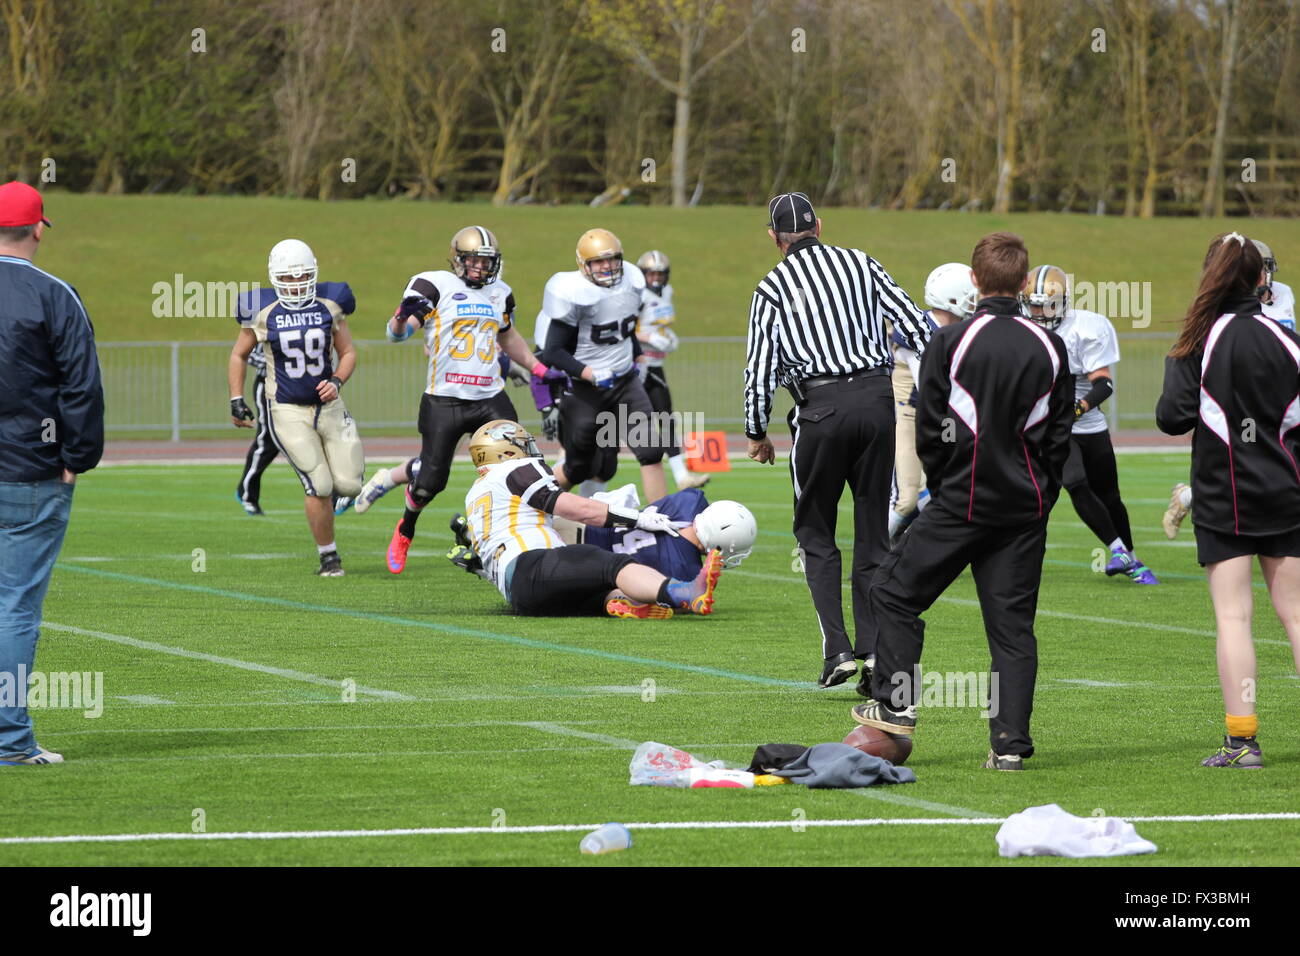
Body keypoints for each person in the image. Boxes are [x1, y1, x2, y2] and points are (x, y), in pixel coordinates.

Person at [851, 232, 1074, 771]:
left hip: (963, 500)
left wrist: (950, 481)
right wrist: (1040, 493)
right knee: (1012, 629)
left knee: (893, 590)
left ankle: (895, 706)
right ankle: (1010, 746)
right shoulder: (1050, 345)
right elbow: (1058, 432)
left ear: (974, 281)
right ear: (1025, 283)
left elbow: (931, 428)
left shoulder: (951, 343)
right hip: (1023, 507)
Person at [743, 192, 933, 688]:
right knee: (872, 529)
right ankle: (872, 648)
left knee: (815, 532)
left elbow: (759, 369)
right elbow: (918, 325)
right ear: (819, 226)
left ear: (773, 238)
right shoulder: (861, 264)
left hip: (821, 409)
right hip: (877, 402)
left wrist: (756, 431)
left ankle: (837, 649)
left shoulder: (772, 287)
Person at [1156, 232, 1300, 769]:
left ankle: (1242, 741)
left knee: (1234, 619)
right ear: (1263, 277)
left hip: (1223, 494)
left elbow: (1170, 417)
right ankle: (1241, 741)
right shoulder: (1287, 339)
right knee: (1297, 616)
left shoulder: (1198, 339)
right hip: (1286, 491)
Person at [374, 226, 563, 573]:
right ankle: (406, 528)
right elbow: (396, 335)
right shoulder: (433, 284)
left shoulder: (501, 293)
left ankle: (509, 535)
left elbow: (508, 337)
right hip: (444, 400)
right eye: (473, 259)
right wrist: (401, 316)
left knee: (521, 467)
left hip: (489, 397)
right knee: (431, 482)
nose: (479, 267)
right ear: (458, 259)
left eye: (485, 261)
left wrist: (538, 369)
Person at [0, 181, 104, 765]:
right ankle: (10, 741)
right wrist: (76, 459)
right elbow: (81, 386)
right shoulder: (56, 294)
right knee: (14, 609)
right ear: (39, 228)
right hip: (30, 474)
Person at [460, 420, 722, 619]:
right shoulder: (516, 468)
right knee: (614, 565)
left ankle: (635, 601)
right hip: (534, 563)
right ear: (505, 452)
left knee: (601, 590)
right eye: (522, 444)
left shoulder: (476, 494)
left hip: (519, 596)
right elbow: (577, 509)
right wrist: (636, 518)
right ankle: (684, 591)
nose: (529, 449)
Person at [229, 239, 363, 576]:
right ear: (275, 278)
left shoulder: (330, 304)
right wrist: (236, 397)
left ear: (314, 272)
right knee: (318, 485)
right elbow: (238, 354)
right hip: (286, 409)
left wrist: (337, 380)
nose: (296, 283)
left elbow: (348, 352)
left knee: (349, 485)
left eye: (302, 276)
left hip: (329, 407)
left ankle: (329, 509)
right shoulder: (262, 310)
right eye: (287, 278)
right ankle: (328, 556)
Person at [1023, 264, 1157, 584]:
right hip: (1052, 426)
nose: (1039, 311)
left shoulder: (1087, 326)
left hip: (1087, 421)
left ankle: (1131, 558)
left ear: (1063, 302)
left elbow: (1104, 385)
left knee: (1109, 496)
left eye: (1046, 303)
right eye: (1033, 303)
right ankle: (1116, 550)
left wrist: (1077, 410)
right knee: (1074, 482)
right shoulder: (1022, 328)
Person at [1163, 238, 1295, 538]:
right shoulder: (1213, 316)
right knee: (1248, 464)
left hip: (1268, 387)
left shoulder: (1282, 295)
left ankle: (1187, 497)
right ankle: (1190, 498)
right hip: (1239, 393)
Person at [536, 229, 668, 503]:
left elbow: (625, 327)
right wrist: (589, 373)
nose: (607, 267)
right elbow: (553, 351)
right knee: (578, 467)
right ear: (584, 265)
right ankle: (534, 509)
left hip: (624, 383)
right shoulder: (573, 293)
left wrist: (638, 356)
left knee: (651, 450)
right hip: (586, 391)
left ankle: (661, 523)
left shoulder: (631, 282)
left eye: (612, 259)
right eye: (598, 261)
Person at [449, 485, 757, 580]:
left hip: (584, 525)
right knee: (531, 573)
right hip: (578, 558)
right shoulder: (685, 571)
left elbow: (691, 499)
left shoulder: (691, 501)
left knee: (523, 527)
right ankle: (483, 565)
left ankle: (474, 532)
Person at [888, 262, 975, 546]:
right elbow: (930, 385)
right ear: (952, 298)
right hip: (907, 419)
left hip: (936, 417)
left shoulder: (958, 331)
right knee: (907, 497)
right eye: (970, 296)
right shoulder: (918, 329)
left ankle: (920, 551)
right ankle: (868, 560)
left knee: (943, 490)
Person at [635, 250, 709, 491]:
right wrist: (648, 337)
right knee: (615, 422)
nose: (656, 278)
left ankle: (681, 476)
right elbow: (623, 328)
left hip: (656, 365)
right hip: (635, 366)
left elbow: (661, 323)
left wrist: (667, 337)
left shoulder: (667, 292)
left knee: (666, 419)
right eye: (651, 273)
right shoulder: (636, 294)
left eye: (660, 274)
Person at [233, 332, 278, 516]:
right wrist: (279, 363)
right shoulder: (266, 315)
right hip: (267, 385)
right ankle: (247, 492)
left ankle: (332, 494)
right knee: (267, 439)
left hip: (298, 388)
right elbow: (247, 354)